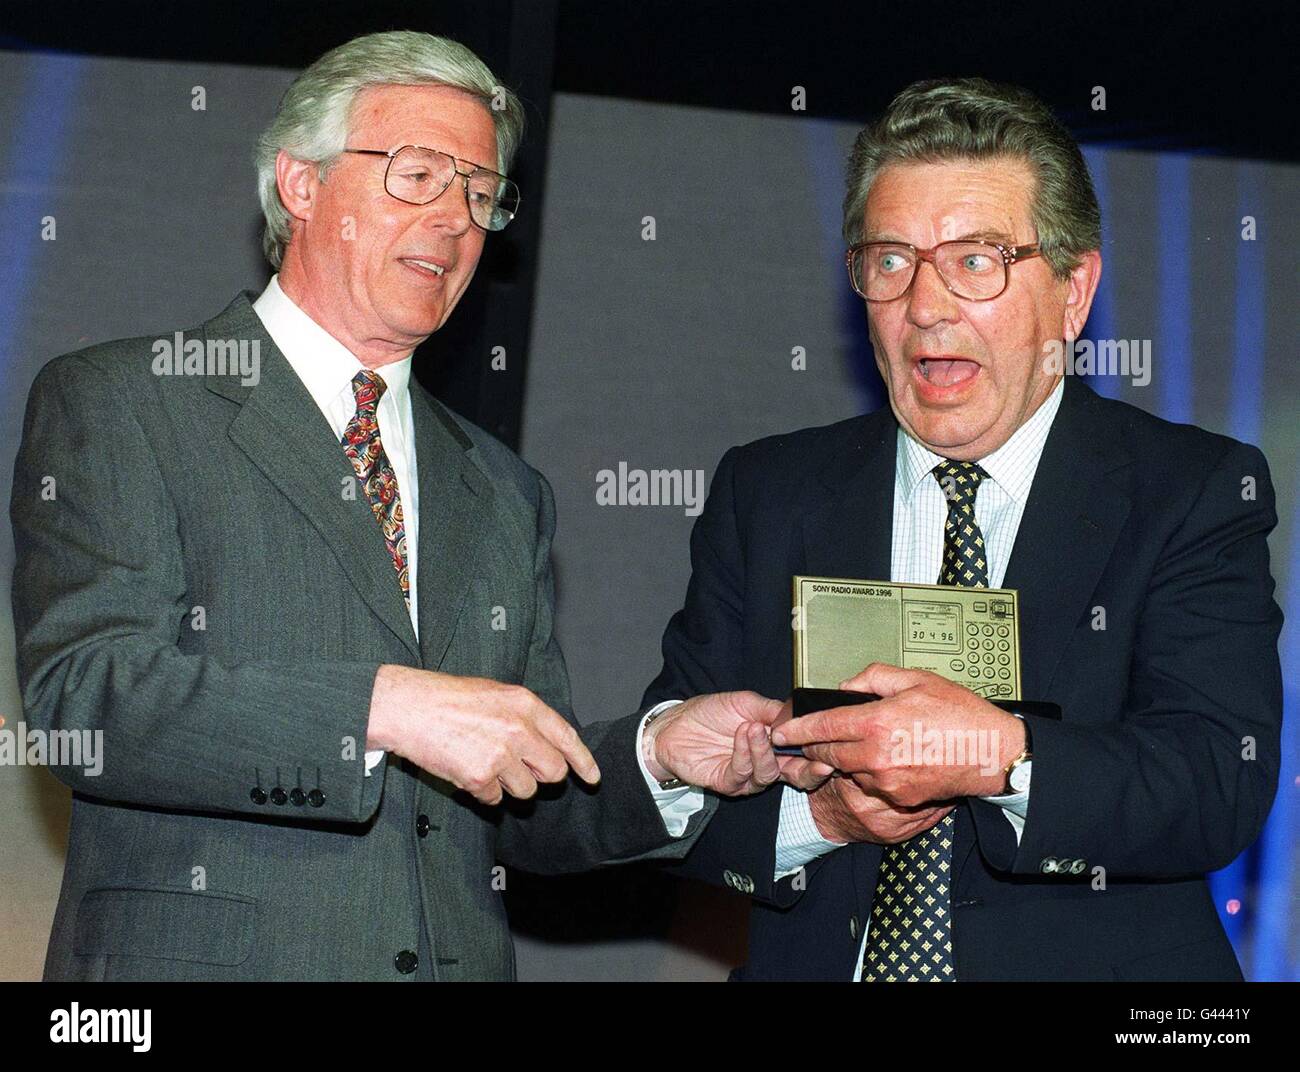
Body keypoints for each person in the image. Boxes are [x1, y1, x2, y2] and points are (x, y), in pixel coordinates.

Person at [9, 30, 823, 982]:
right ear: (300, 184)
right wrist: (381, 707)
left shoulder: (502, 488)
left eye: (480, 192)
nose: (454, 219)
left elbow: (527, 811)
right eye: (417, 174)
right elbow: (89, 700)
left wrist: (661, 757)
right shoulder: (129, 400)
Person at [642, 77, 1283, 981]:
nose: (927, 306)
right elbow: (676, 793)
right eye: (891, 260)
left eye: (977, 260)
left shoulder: (1190, 490)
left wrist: (995, 756)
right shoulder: (771, 491)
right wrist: (819, 821)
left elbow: (1216, 782)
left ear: (1073, 290)